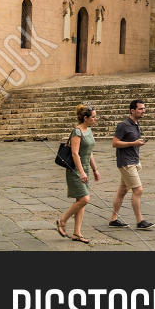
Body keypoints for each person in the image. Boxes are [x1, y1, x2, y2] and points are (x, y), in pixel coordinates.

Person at [59, 105, 99, 244]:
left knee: (80, 202)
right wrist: (81, 171)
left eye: (95, 116)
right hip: (75, 170)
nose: (95, 119)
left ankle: (77, 233)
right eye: (93, 117)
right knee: (84, 199)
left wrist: (94, 169)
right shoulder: (77, 131)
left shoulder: (88, 130)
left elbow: (89, 151)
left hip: (86, 169)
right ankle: (62, 221)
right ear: (85, 118)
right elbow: (75, 153)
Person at [109, 100, 152, 230]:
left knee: (122, 191)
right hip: (126, 163)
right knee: (138, 190)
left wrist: (137, 143)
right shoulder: (123, 125)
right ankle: (140, 221)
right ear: (132, 110)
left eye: (144, 109)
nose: (143, 111)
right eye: (140, 109)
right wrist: (134, 143)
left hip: (134, 161)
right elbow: (115, 143)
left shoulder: (136, 124)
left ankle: (113, 219)